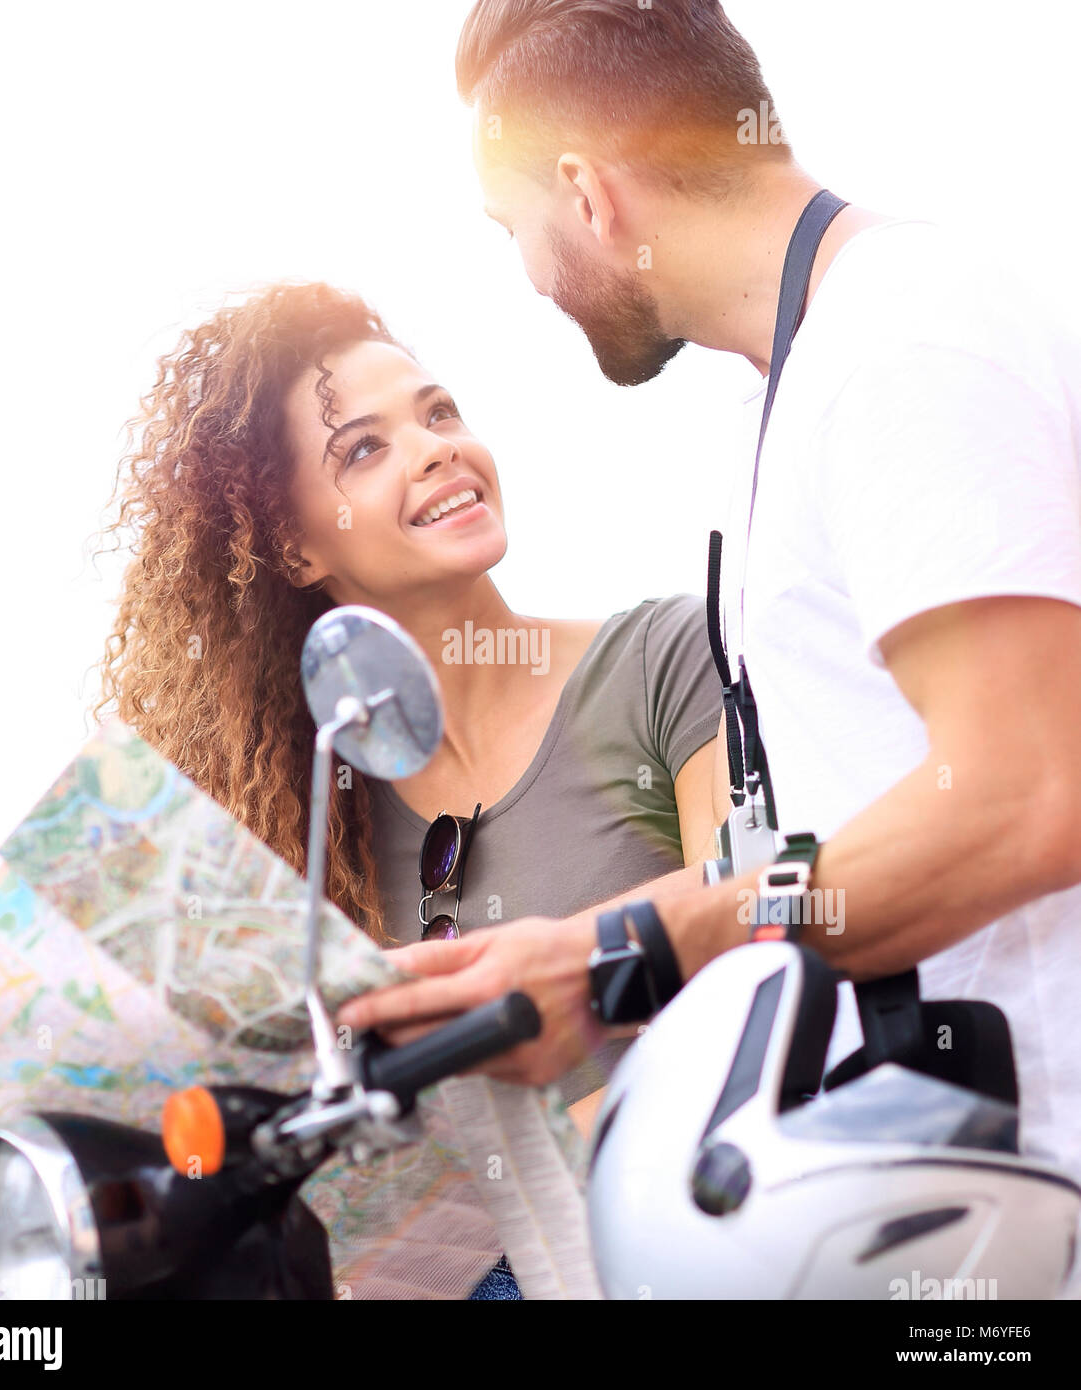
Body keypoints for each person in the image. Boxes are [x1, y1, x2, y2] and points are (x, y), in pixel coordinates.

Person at [336, 0, 1081, 1295]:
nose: (526, 274)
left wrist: (632, 944)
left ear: (586, 192)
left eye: (512, 230)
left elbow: (1029, 791)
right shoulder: (798, 390)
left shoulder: (896, 342)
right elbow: (865, 826)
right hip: (948, 1199)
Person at [93, 279, 724, 1298]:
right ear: (294, 546)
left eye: (439, 413)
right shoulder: (303, 822)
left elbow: (762, 931)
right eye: (365, 447)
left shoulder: (665, 656)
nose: (437, 447)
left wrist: (561, 976)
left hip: (696, 1237)